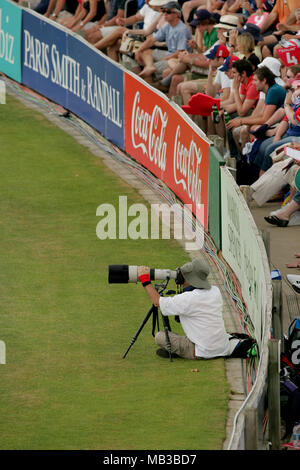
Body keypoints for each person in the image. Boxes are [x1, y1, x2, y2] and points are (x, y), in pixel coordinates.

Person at [137, 258, 255, 359]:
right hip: (222, 346)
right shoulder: (215, 291)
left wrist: (144, 279)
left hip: (201, 351)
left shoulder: (188, 299)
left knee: (160, 337)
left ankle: (178, 351)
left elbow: (158, 302)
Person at [134, 2, 192, 83]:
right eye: (163, 11)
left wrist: (162, 59)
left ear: (177, 14)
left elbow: (179, 53)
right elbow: (152, 40)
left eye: (168, 12)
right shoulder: (168, 25)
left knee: (147, 71)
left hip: (177, 59)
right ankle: (150, 67)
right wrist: (139, 50)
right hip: (169, 54)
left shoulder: (182, 30)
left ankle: (149, 86)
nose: (164, 14)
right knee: (145, 51)